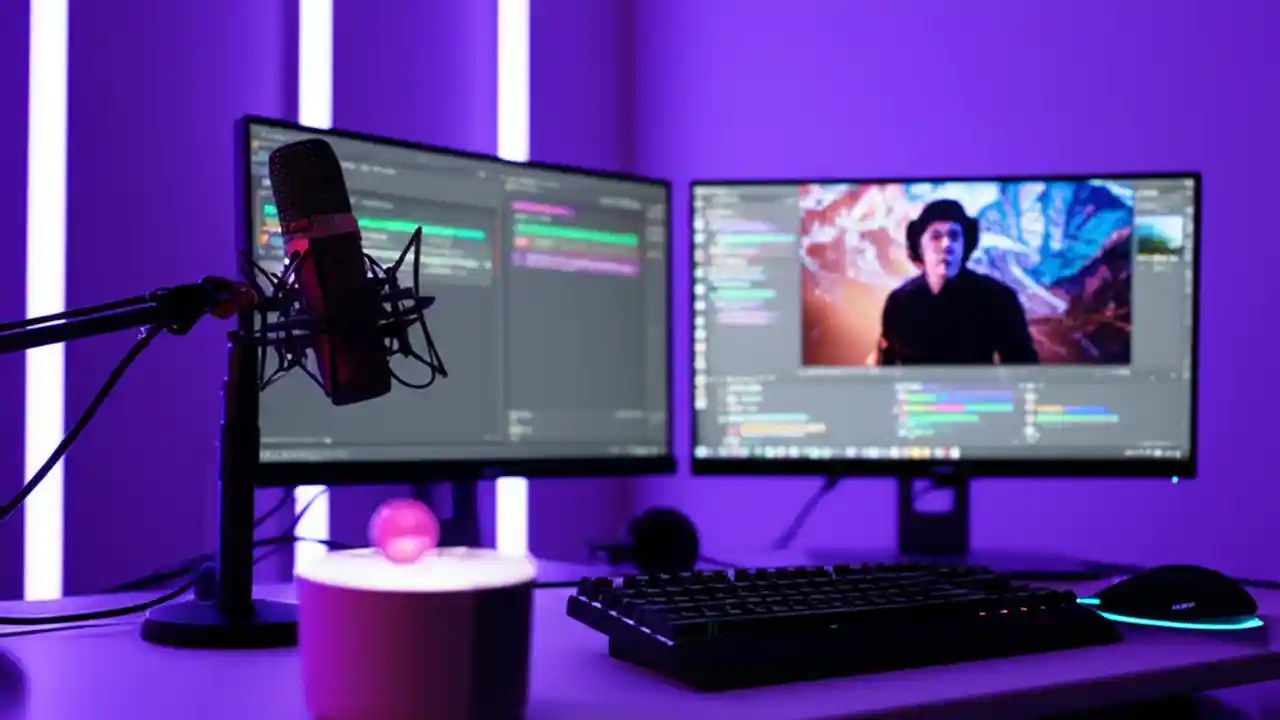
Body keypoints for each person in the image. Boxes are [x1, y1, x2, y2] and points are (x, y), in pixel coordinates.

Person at [878, 199, 1038, 365]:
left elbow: (1023, 367)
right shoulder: (898, 303)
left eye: (954, 236)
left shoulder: (998, 298)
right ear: (919, 245)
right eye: (936, 237)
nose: (946, 245)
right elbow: (887, 368)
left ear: (965, 244)